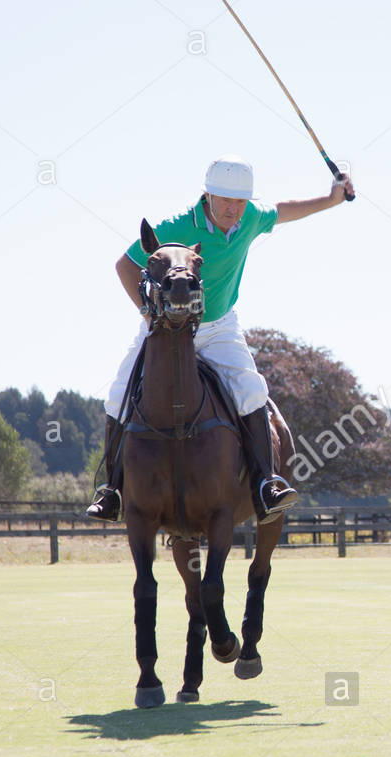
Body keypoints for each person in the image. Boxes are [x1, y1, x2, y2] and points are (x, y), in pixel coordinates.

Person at [86, 154, 354, 521]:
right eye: (226, 200)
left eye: (241, 202)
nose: (233, 210)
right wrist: (149, 314)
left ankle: (266, 484)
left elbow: (283, 210)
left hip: (218, 327)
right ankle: (112, 490)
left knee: (252, 391)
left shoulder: (250, 218)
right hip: (164, 328)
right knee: (118, 395)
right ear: (207, 195)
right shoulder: (176, 224)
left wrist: (332, 198)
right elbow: (125, 265)